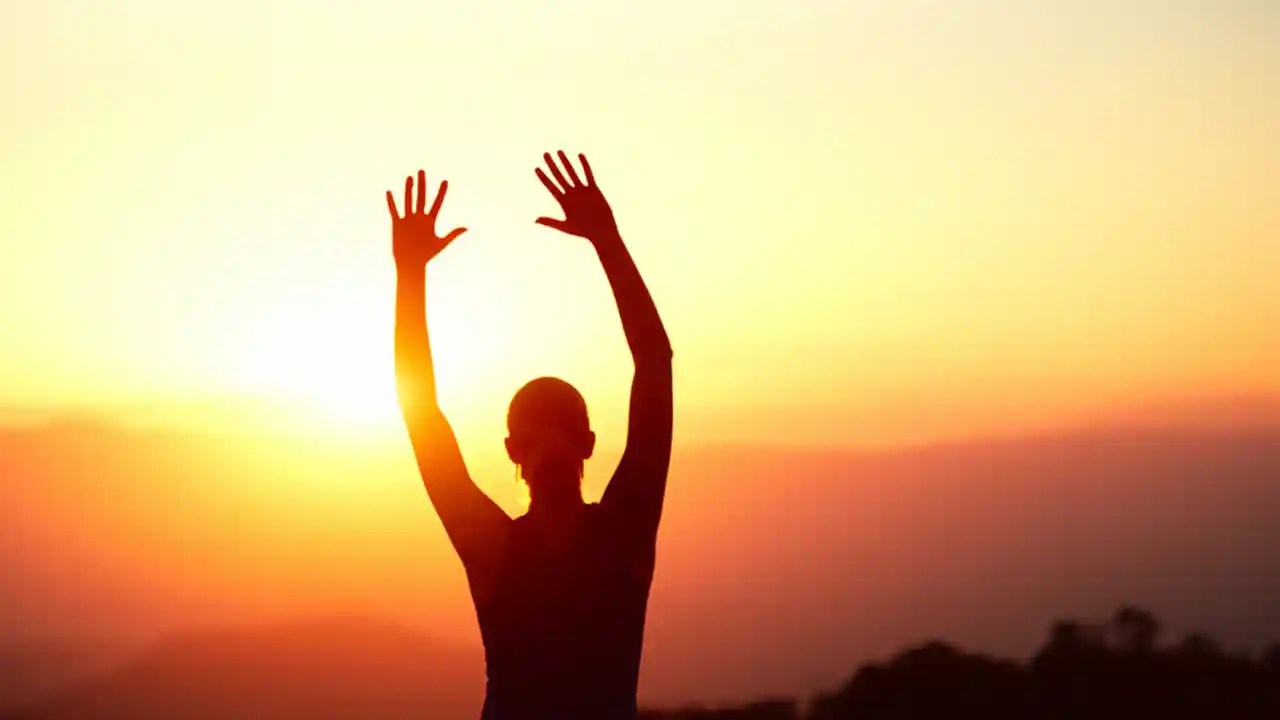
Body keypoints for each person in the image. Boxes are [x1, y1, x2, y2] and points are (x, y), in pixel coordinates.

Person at [384, 151, 673, 719]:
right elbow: (422, 418)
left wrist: (609, 242)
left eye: (563, 425)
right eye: (536, 430)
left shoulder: (624, 530)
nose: (551, 441)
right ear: (513, 450)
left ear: (588, 442)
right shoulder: (496, 548)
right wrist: (409, 277)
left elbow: (655, 366)